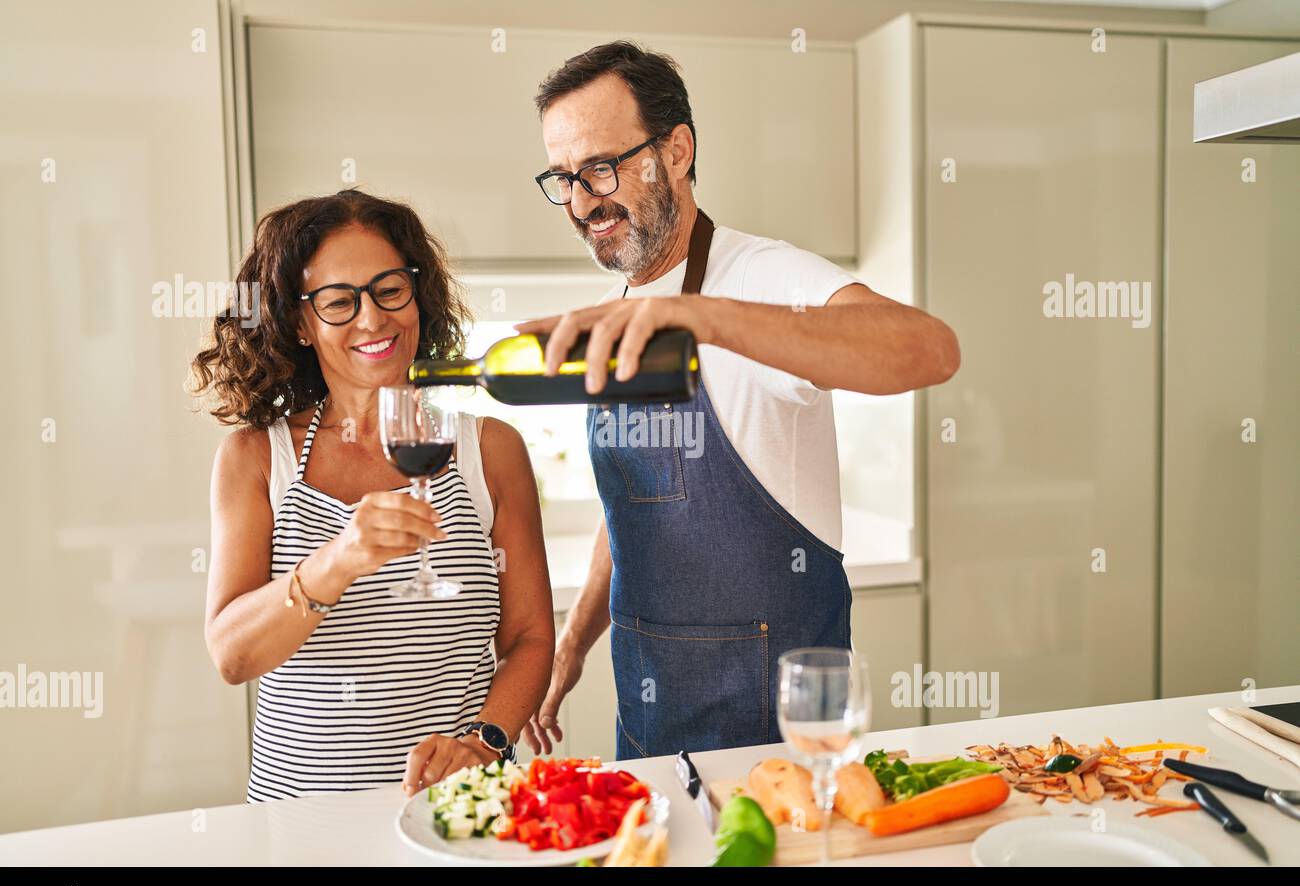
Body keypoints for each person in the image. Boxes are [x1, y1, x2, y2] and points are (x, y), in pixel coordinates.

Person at [518, 42, 960, 759]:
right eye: (563, 178)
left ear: (678, 150)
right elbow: (632, 508)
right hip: (650, 722)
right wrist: (570, 650)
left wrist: (705, 317)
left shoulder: (763, 274)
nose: (580, 201)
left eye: (601, 167)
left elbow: (929, 349)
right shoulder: (611, 308)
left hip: (776, 741)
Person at [191, 189, 554, 801]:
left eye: (390, 290)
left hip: (457, 813)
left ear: (418, 296)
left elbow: (529, 638)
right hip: (304, 819)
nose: (372, 320)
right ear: (301, 324)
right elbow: (232, 655)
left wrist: (482, 744)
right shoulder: (257, 459)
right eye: (339, 302)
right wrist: (340, 559)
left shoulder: (489, 450)